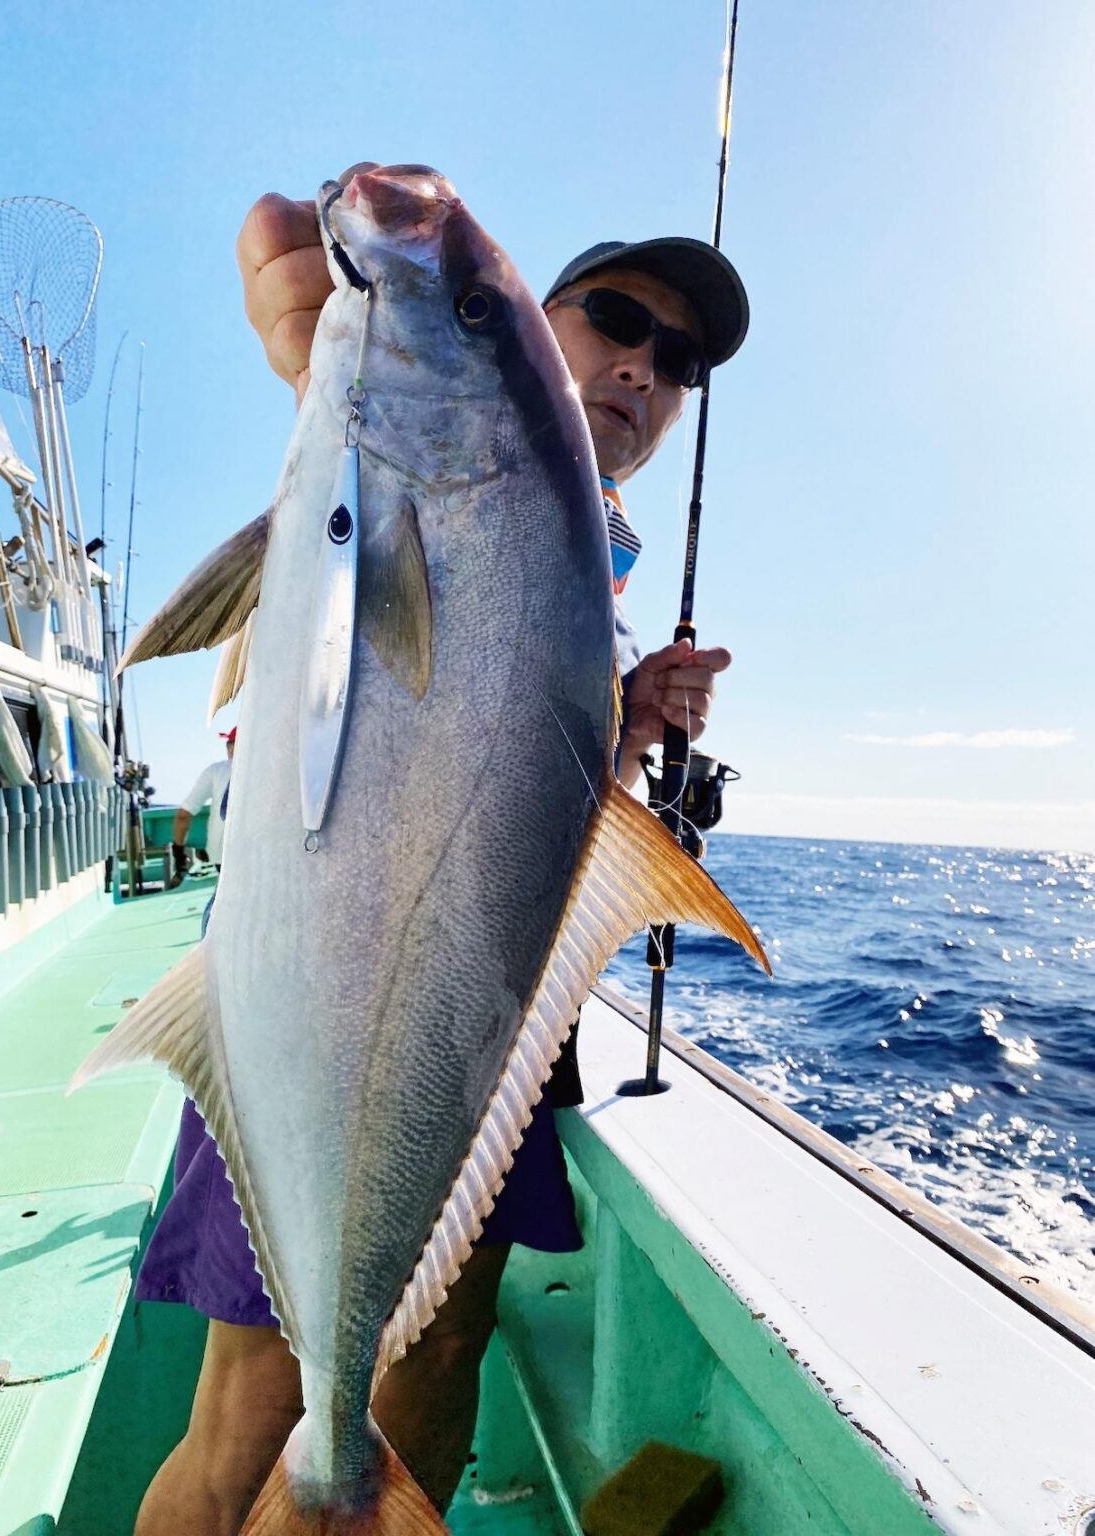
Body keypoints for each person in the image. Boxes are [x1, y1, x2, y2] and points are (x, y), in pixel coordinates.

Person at [133, 168, 747, 1534]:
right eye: (610, 322)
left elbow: (526, 806)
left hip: (487, 1023)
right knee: (249, 1402)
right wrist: (335, 367)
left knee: (431, 1380)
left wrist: (627, 724)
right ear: (538, 331)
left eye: (677, 363)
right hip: (317, 991)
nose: (643, 368)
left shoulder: (605, 575)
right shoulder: (390, 448)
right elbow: (340, 583)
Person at [167, 728, 236, 888]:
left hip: (223, 854)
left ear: (233, 747)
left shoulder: (215, 771)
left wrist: (179, 854)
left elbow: (184, 815)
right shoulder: (269, 770)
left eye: (229, 744)